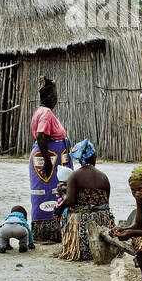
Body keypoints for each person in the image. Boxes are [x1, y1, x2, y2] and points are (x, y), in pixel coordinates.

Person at [55, 139, 114, 262]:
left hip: (82, 220)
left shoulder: (75, 175)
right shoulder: (104, 176)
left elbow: (70, 201)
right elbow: (106, 201)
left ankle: (77, 248)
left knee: (61, 210)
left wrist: (60, 204)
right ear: (93, 157)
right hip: (102, 217)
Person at [29, 76, 69, 243]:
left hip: (52, 157)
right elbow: (41, 136)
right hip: (49, 159)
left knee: (50, 193)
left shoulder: (41, 111)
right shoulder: (46, 112)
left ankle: (47, 231)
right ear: (51, 97)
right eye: (55, 95)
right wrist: (47, 161)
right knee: (51, 194)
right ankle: (49, 232)